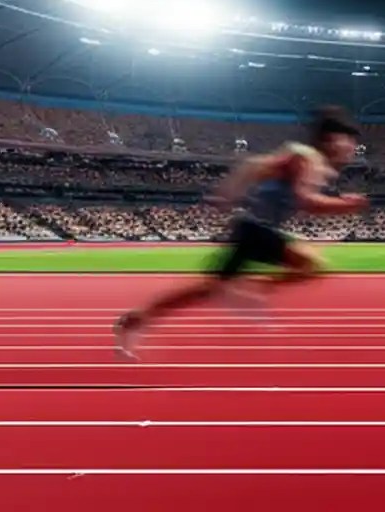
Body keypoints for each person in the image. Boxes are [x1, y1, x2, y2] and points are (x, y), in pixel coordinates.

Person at [113, 106, 368, 360]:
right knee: (311, 264)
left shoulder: (308, 161)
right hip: (256, 228)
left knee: (207, 288)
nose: (351, 148)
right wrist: (345, 205)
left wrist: (229, 193)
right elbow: (302, 197)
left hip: (253, 228)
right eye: (348, 141)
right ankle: (249, 289)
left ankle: (136, 319)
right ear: (331, 138)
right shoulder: (305, 158)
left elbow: (257, 167)